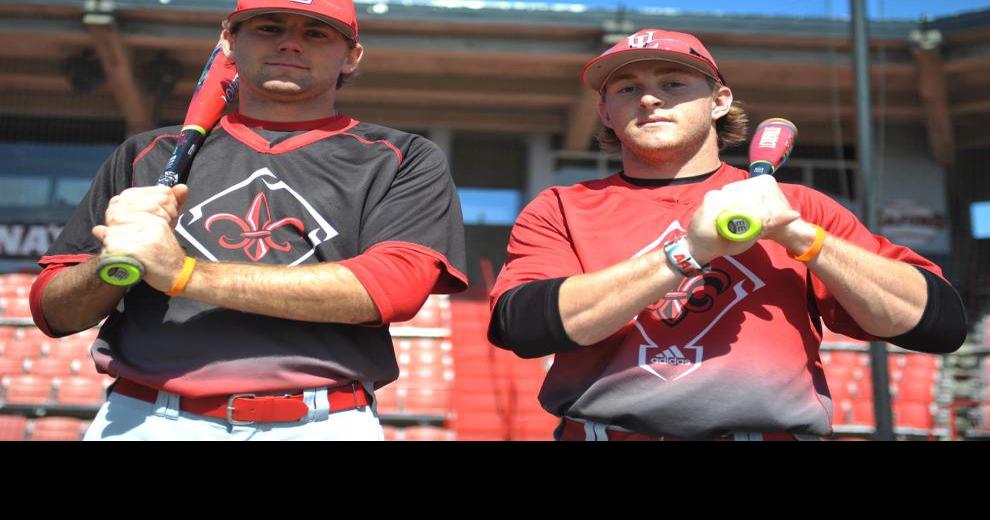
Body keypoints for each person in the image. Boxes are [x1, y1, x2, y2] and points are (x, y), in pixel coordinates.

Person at [487, 28, 966, 441]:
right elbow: (522, 327)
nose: (649, 98)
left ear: (720, 101)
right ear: (606, 113)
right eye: (627, 88)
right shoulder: (562, 206)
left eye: (673, 83)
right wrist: (685, 254)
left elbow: (937, 323)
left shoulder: (797, 207)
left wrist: (802, 238)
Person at [30, 0, 467, 440]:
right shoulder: (149, 154)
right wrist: (111, 263)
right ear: (228, 41)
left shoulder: (401, 157)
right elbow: (54, 312)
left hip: (322, 421)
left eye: (316, 33)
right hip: (146, 418)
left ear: (352, 56)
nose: (290, 43)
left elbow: (392, 288)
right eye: (268, 27)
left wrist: (183, 274)